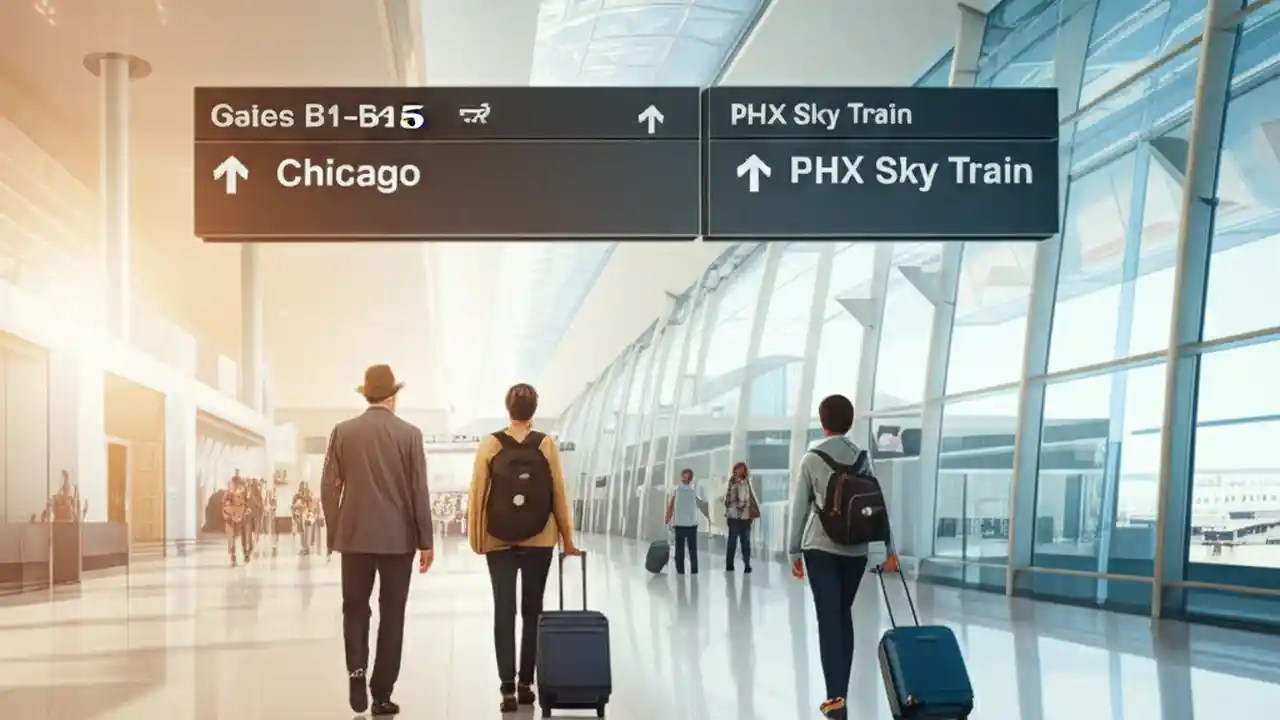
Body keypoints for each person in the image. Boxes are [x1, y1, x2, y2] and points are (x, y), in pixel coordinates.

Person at [321, 365, 435, 717]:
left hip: (354, 538)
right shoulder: (410, 435)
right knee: (392, 613)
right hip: (398, 540)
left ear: (365, 394)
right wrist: (426, 540)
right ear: (393, 396)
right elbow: (418, 490)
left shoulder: (343, 432)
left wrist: (337, 528)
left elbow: (329, 486)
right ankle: (382, 693)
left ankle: (356, 671)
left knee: (354, 607)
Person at [468, 383, 581, 713]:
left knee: (504, 610)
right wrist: (568, 539)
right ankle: (525, 684)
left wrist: (478, 539)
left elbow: (478, 493)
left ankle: (506, 689)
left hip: (497, 541)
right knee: (533, 611)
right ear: (533, 410)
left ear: (508, 408)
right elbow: (558, 492)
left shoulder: (491, 444)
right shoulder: (545, 443)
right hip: (540, 538)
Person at [787, 394, 875, 720]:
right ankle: (841, 694)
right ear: (849, 421)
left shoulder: (812, 458)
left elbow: (800, 508)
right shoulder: (863, 457)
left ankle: (835, 700)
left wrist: (793, 549)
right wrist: (889, 549)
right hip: (856, 550)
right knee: (843, 615)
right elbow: (876, 504)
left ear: (823, 422)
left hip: (821, 548)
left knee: (828, 619)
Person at [665, 468, 709, 575]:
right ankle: (684, 570)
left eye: (687, 476)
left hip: (689, 525)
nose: (686, 478)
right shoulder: (679, 491)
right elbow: (671, 506)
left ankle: (687, 570)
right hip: (682, 524)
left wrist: (668, 519)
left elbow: (701, 505)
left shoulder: (690, 491)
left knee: (688, 549)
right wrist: (668, 518)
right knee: (686, 549)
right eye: (685, 476)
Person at [724, 461, 759, 573]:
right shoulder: (732, 482)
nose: (740, 471)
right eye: (738, 469)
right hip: (733, 516)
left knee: (746, 542)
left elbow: (750, 498)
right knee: (732, 542)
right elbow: (728, 499)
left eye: (742, 469)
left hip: (745, 517)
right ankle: (729, 565)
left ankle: (747, 565)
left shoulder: (747, 482)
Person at [223, 474, 251, 566]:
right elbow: (224, 504)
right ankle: (234, 554)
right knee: (232, 537)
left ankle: (244, 553)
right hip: (232, 516)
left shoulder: (242, 491)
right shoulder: (230, 492)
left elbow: (247, 503)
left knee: (243, 536)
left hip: (240, 515)